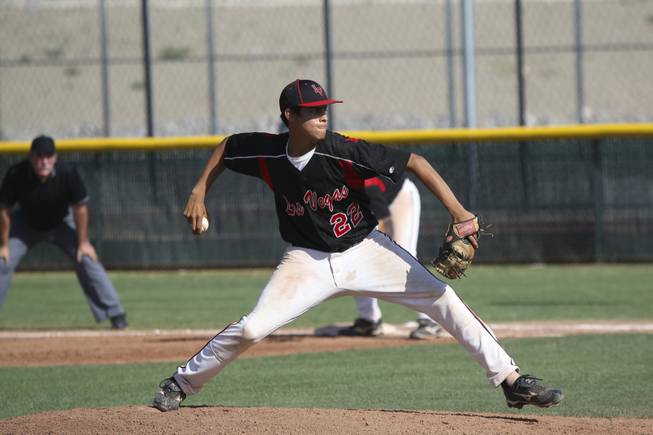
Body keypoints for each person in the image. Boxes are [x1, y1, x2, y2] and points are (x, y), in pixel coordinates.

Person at [152, 79, 563, 412]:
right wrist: (199, 188)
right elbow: (228, 147)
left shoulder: (343, 150)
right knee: (254, 327)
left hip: (365, 250)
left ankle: (511, 380)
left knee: (444, 299)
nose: (322, 115)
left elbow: (415, 161)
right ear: (289, 116)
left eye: (324, 108)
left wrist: (460, 213)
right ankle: (182, 381)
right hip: (306, 260)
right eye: (312, 110)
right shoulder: (268, 152)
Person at [0, 135, 128, 329]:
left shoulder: (67, 173)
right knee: (2, 261)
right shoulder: (16, 174)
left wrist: (83, 242)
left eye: (48, 156)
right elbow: (4, 210)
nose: (44, 161)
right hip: (25, 223)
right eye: (39, 156)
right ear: (31, 157)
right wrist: (3, 246)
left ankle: (116, 314)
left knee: (86, 258)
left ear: (55, 157)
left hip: (61, 222)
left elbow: (80, 208)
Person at [338, 174, 443, 339]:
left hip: (399, 197)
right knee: (354, 255)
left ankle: (430, 321)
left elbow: (382, 220)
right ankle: (369, 319)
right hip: (371, 207)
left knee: (405, 259)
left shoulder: (359, 178)